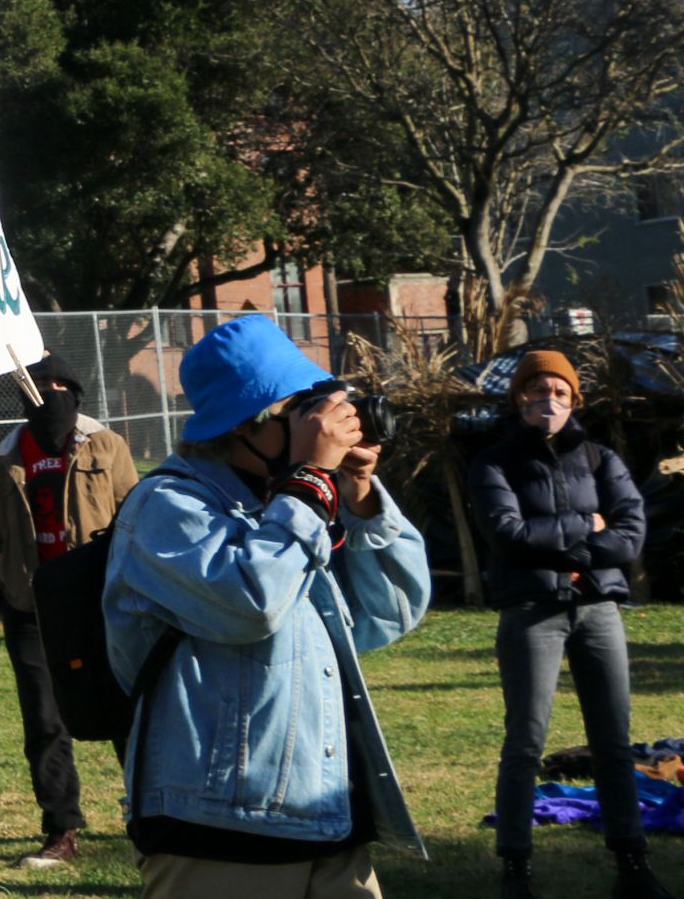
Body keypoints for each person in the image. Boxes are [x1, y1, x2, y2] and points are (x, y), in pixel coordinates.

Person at [103, 316, 431, 897]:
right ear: (245, 426)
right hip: (217, 827)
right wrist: (308, 482)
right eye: (300, 411)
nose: (323, 424)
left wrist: (356, 498)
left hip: (327, 812)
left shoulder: (281, 509)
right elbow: (251, 605)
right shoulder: (167, 507)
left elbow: (392, 611)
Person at [469, 350, 674, 899]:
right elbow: (506, 534)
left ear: (574, 399)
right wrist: (586, 525)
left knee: (613, 742)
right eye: (538, 389)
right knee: (525, 743)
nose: (549, 400)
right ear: (519, 397)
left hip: (599, 612)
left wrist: (563, 547)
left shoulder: (602, 458)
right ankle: (516, 868)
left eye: (560, 391)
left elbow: (631, 535)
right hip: (531, 613)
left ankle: (632, 865)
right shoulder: (493, 463)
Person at [0, 352, 139, 870]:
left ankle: (147, 820)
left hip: (99, 599)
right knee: (45, 723)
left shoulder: (106, 444)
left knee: (126, 712)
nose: (49, 394)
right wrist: (0, 587)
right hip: (31, 604)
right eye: (38, 385)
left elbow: (134, 513)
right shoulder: (5, 455)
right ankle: (61, 831)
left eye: (57, 385)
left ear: (74, 391)